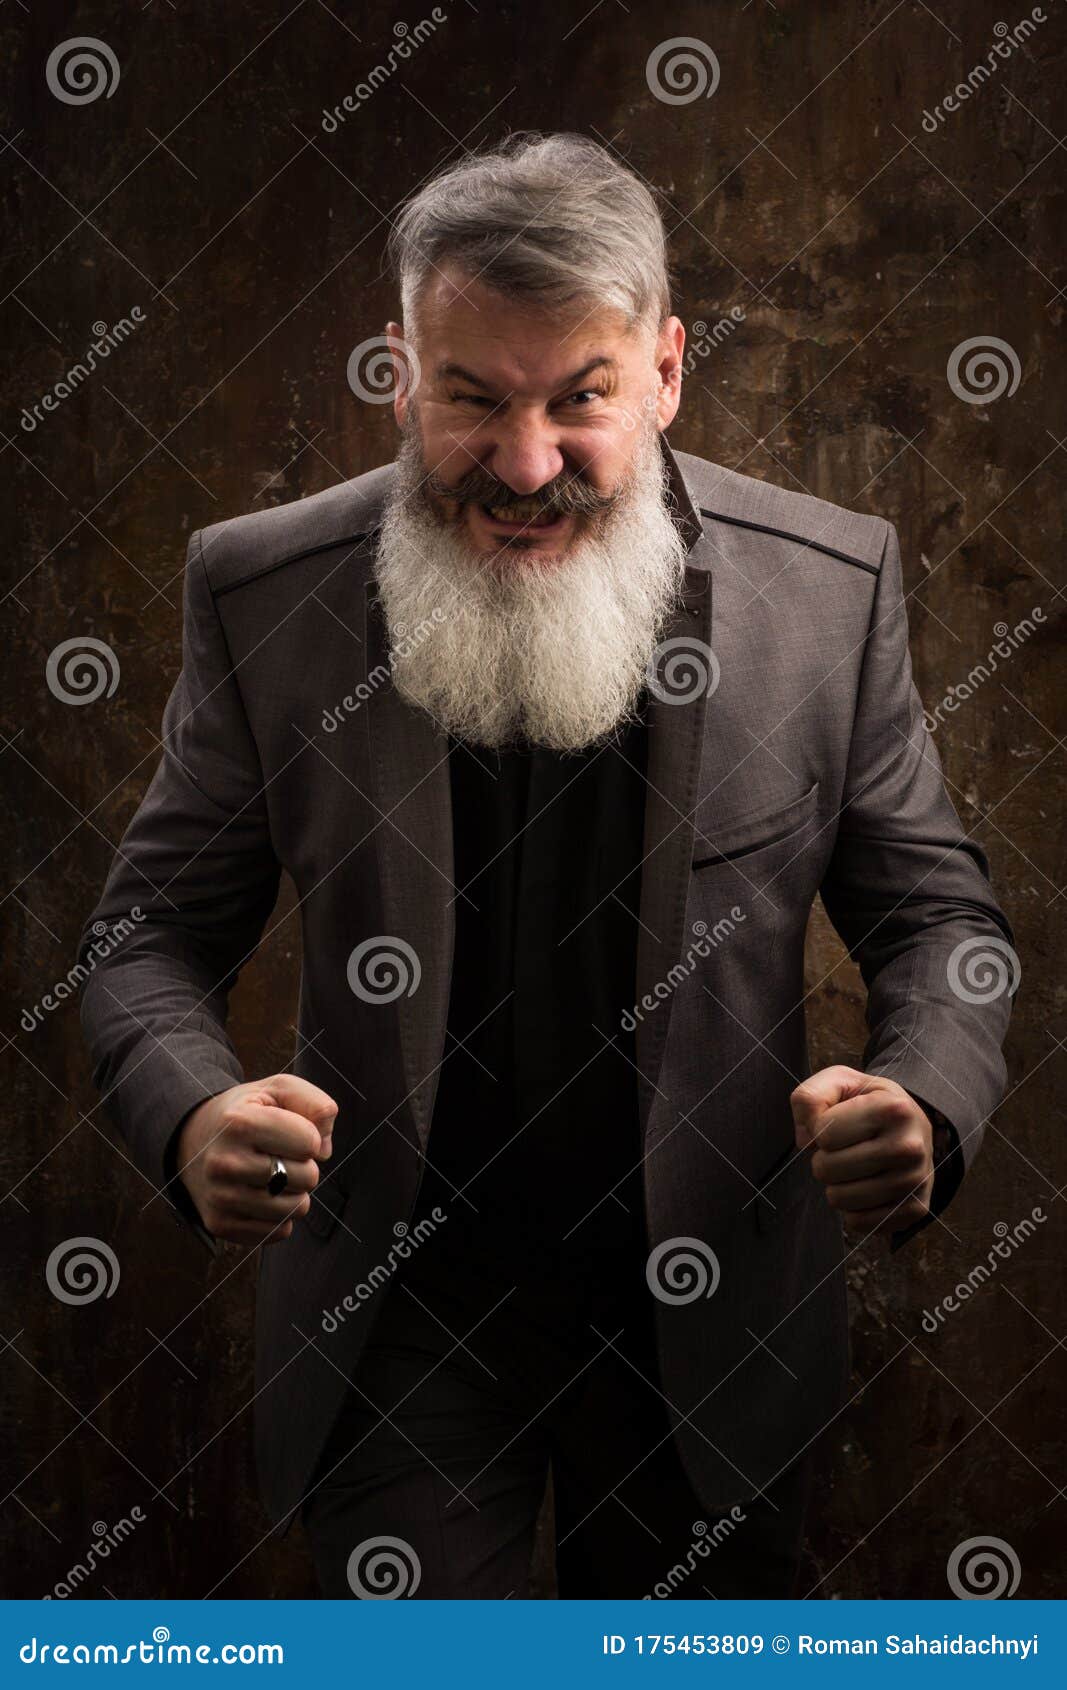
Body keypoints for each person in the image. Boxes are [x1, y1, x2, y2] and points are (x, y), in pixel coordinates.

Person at [77, 132, 1015, 1599]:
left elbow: (940, 920)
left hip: (712, 1315)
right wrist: (196, 1106)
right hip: (399, 1314)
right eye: (472, 398)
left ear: (666, 373)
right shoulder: (262, 595)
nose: (525, 466)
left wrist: (928, 1097)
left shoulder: (831, 592)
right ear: (400, 372)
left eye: (580, 398)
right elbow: (142, 935)